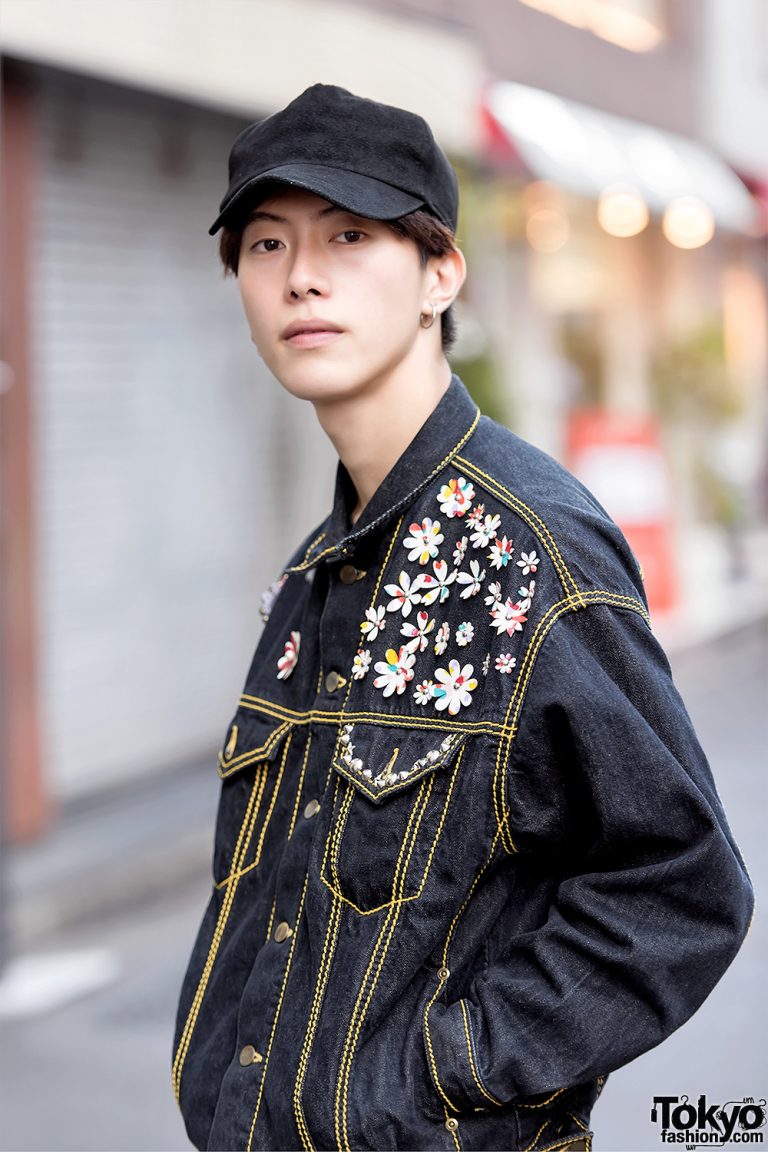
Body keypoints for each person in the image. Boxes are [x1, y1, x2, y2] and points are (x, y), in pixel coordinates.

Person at [171, 84, 753, 1152]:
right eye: (265, 243)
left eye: (349, 235)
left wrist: (444, 1073)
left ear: (441, 273)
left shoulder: (532, 552)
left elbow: (683, 887)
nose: (301, 276)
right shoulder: (318, 568)